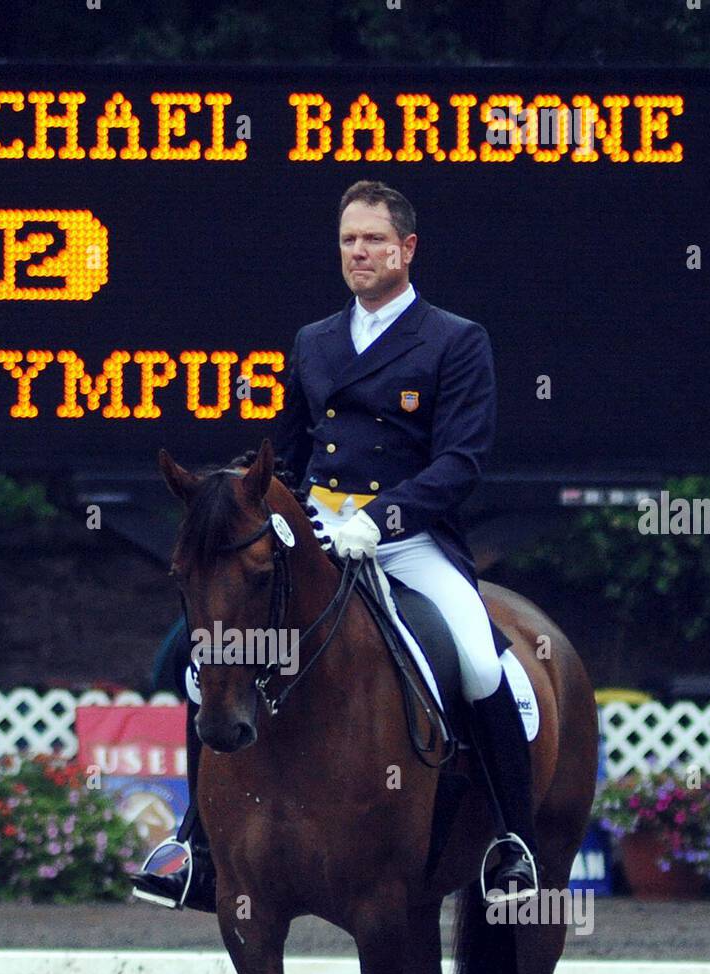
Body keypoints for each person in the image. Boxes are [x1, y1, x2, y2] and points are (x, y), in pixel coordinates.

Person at [131, 179, 538, 911]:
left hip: (407, 537)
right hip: (318, 531)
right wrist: (249, 497)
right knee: (211, 662)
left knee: (480, 660)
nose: (359, 252)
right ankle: (194, 845)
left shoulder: (454, 339)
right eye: (349, 239)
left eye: (374, 239)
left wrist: (379, 520)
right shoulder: (315, 340)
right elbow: (284, 454)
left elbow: (461, 461)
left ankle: (512, 841)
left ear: (406, 249)